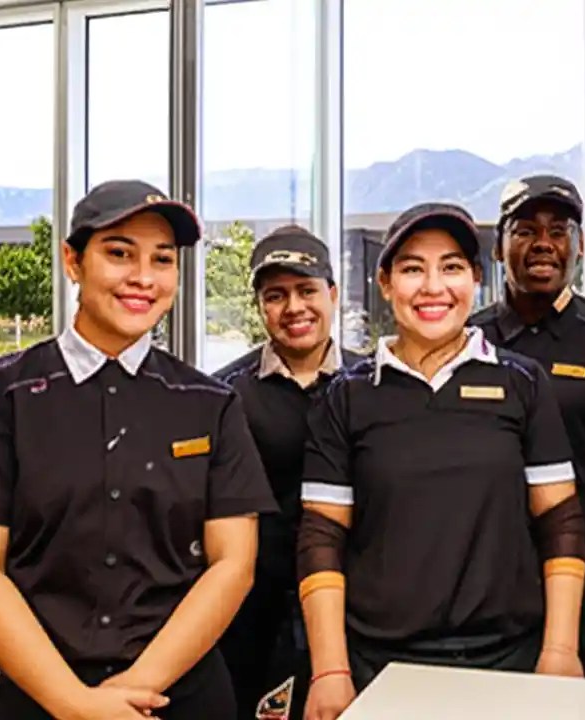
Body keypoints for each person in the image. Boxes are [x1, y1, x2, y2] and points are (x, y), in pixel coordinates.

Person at [0, 180, 277, 720]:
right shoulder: (2, 395)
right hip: (41, 694)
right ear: (72, 261)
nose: (143, 277)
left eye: (162, 259)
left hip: (179, 694)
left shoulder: (210, 404)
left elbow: (233, 564)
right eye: (118, 253)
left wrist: (135, 689)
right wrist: (73, 703)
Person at [297, 203, 585, 719]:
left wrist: (560, 652)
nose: (433, 287)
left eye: (451, 267)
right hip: (377, 665)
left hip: (510, 659)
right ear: (385, 283)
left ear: (477, 279)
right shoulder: (346, 396)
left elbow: (560, 522)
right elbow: (322, 536)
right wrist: (330, 670)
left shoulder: (521, 383)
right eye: (412, 269)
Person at [471, 175, 585, 673]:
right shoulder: (469, 338)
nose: (543, 244)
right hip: (493, 576)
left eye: (559, 230)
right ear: (498, 248)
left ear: (579, 246)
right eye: (525, 230)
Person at [214, 225, 361, 720]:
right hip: (255, 614)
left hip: (355, 610)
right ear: (260, 307)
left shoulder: (373, 385)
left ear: (333, 295)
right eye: (275, 296)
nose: (293, 307)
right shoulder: (225, 397)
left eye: (306, 290)